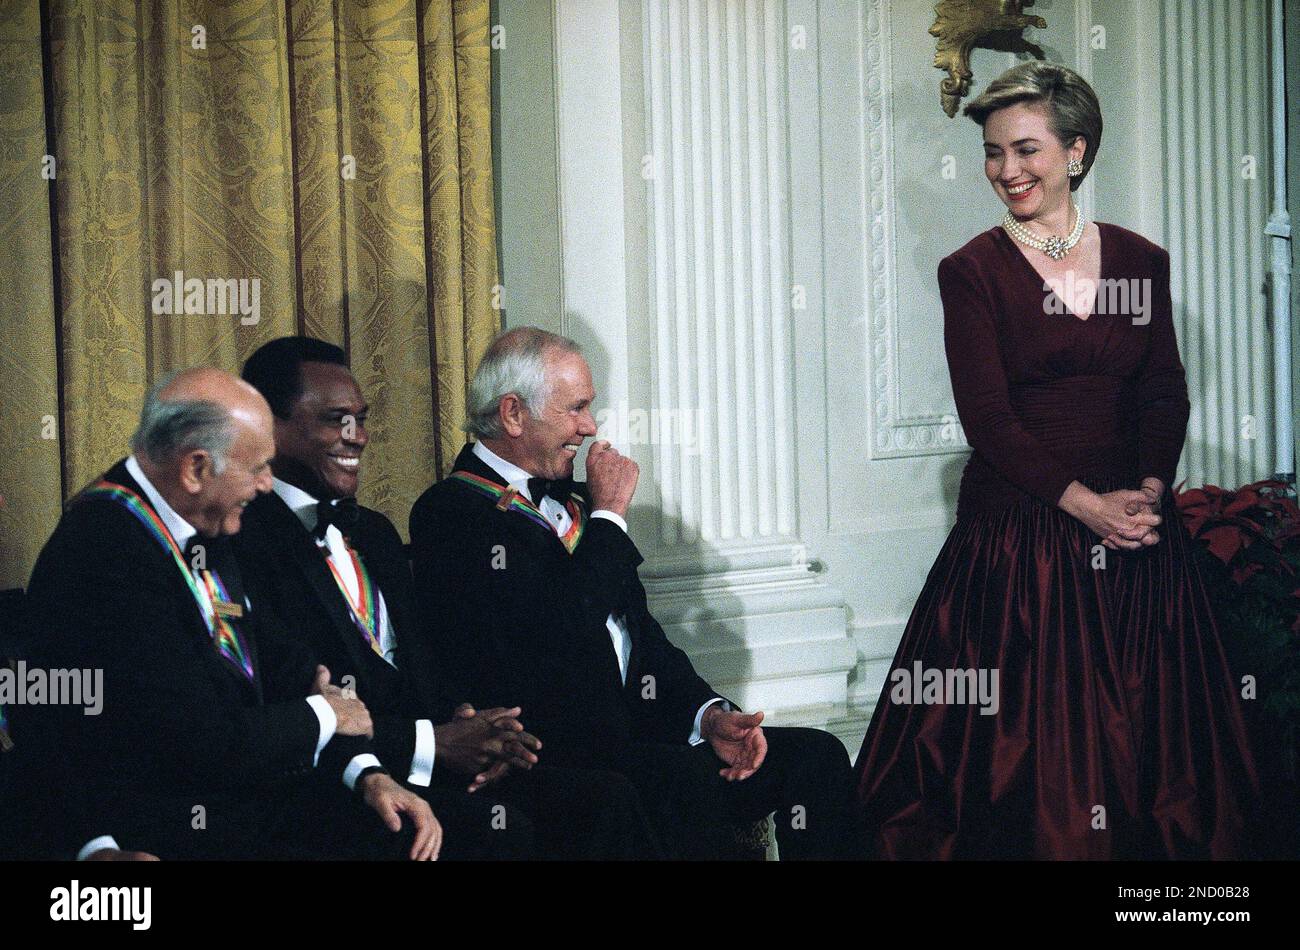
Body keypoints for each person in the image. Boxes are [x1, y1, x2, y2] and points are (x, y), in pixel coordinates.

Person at [853, 61, 1260, 859]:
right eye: (994, 153)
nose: (1007, 171)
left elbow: (1163, 390)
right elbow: (990, 421)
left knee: (1165, 770)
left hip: (1137, 539)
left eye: (1027, 150)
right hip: (1021, 543)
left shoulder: (1141, 259)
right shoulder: (972, 271)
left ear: (1077, 151)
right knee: (1030, 769)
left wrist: (1144, 495)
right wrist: (1088, 507)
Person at [409, 327, 861, 859]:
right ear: (513, 414)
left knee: (817, 758)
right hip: (557, 754)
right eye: (576, 409)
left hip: (644, 742)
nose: (590, 427)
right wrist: (608, 518)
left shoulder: (579, 505)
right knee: (678, 781)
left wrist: (707, 715)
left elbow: (642, 640)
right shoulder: (452, 512)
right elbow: (561, 631)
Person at [235, 336, 646, 859]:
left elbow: (427, 658)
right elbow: (284, 701)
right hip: (330, 782)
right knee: (505, 832)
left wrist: (472, 725)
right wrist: (433, 743)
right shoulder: (240, 540)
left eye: (361, 419)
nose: (356, 436)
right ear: (268, 427)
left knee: (600, 802)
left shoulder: (376, 533)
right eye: (335, 419)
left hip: (432, 756)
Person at [22, 368, 440, 860]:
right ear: (196, 469)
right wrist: (326, 713)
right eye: (258, 468)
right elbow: (197, 736)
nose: (267, 485)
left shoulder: (202, 518)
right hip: (151, 816)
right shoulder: (105, 550)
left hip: (242, 787)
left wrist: (367, 773)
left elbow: (281, 659)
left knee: (444, 832)